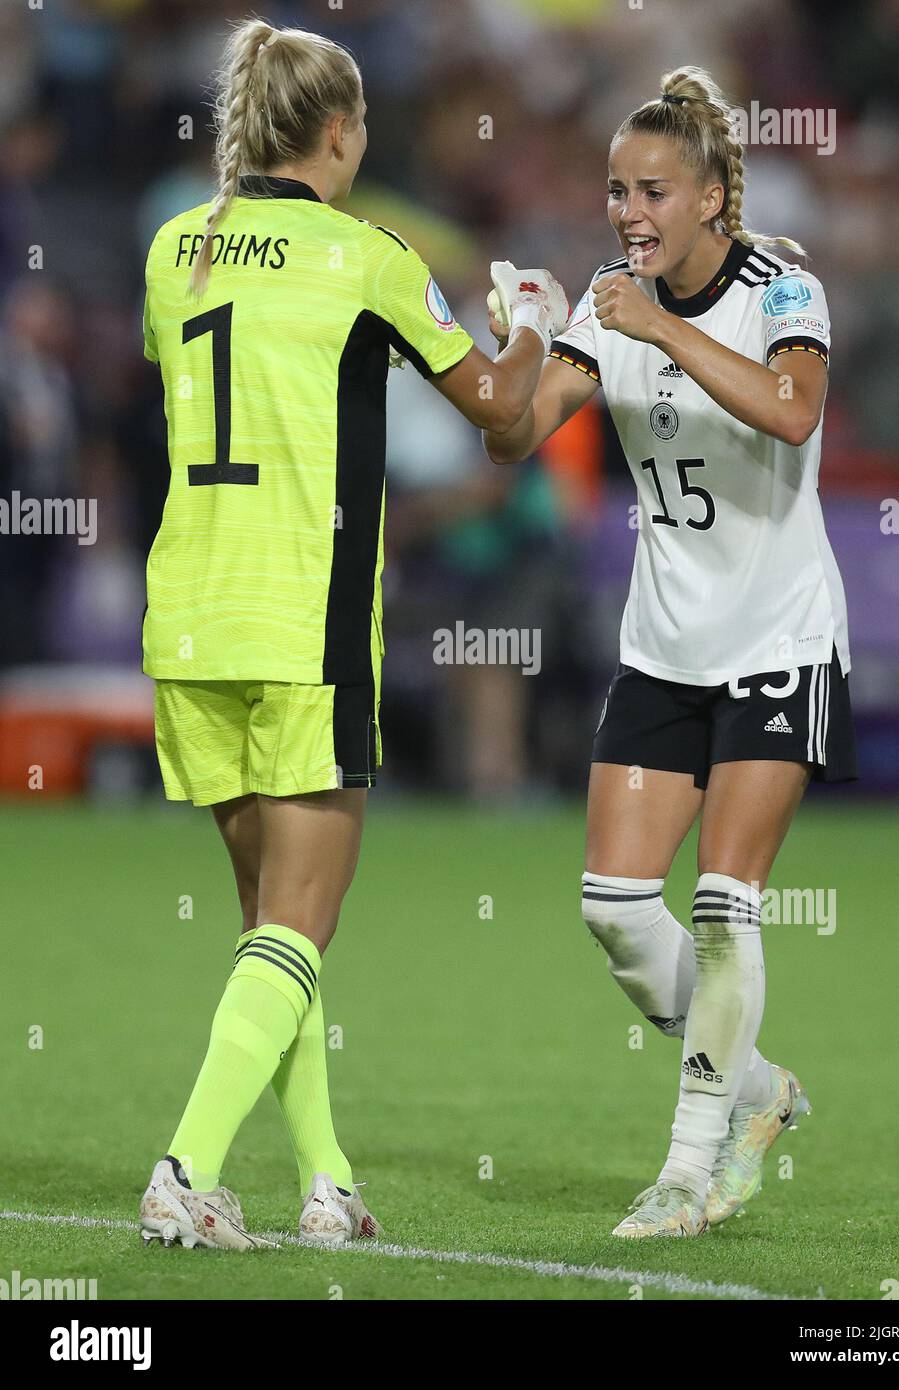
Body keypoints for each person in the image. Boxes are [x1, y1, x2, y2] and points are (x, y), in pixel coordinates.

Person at [137, 17, 567, 1250]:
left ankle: (325, 1182)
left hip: (191, 616)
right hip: (304, 615)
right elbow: (501, 415)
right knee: (301, 925)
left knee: (274, 933)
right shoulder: (366, 252)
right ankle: (186, 1165)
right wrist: (528, 317)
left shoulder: (179, 248)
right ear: (339, 132)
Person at [483, 66, 855, 1238]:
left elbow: (795, 414)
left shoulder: (786, 289)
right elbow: (517, 431)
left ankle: (689, 1173)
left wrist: (658, 329)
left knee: (722, 901)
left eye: (651, 191)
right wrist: (536, 322)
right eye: (614, 191)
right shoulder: (611, 300)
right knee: (612, 907)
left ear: (710, 201)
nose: (628, 213)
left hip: (777, 641)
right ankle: (758, 1094)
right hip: (665, 645)